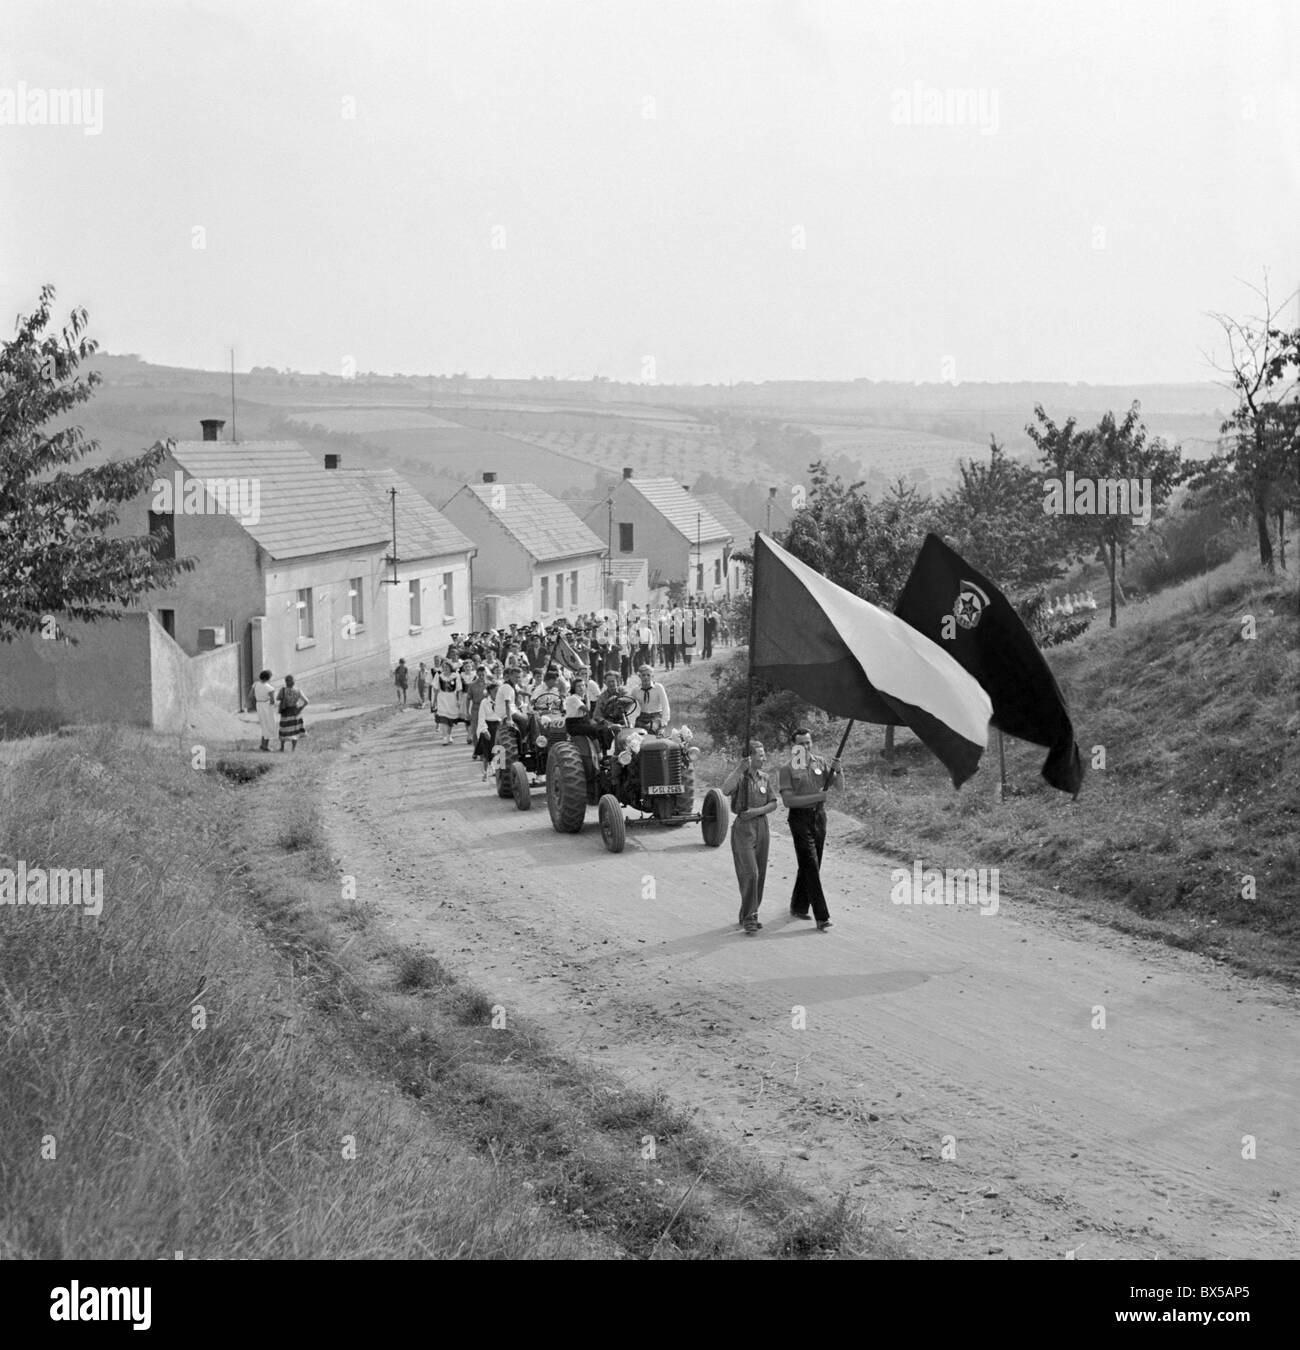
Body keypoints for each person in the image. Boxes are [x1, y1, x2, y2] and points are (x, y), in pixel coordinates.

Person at [779, 728, 842, 931]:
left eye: (808, 742)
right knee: (811, 865)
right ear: (794, 746)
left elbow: (839, 787)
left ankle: (798, 906)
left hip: (819, 817)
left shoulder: (821, 763)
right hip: (799, 818)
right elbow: (788, 801)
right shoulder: (788, 768)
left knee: (812, 864)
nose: (806, 747)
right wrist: (817, 797)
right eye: (801, 744)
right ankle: (822, 916)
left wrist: (839, 770)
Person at [721, 742, 779, 934]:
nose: (763, 758)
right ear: (750, 758)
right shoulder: (740, 777)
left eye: (763, 755)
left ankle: (749, 912)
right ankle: (750, 917)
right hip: (743, 828)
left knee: (760, 874)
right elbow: (725, 790)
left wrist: (756, 811)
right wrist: (739, 768)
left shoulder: (764, 778)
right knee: (750, 873)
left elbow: (773, 803)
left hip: (761, 826)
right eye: (760, 755)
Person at [630, 664, 670, 733]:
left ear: (652, 676)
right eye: (643, 675)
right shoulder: (636, 690)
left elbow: (665, 706)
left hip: (656, 717)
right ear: (639, 676)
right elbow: (628, 704)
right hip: (642, 717)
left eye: (648, 675)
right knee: (636, 734)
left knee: (650, 729)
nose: (646, 677)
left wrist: (664, 723)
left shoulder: (658, 687)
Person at [276, 675, 308, 751]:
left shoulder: (283, 690)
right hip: (295, 712)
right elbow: (306, 701)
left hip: (286, 712)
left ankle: (282, 747)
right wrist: (300, 709)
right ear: (294, 682)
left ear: (286, 681)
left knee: (284, 729)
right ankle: (293, 749)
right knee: (295, 731)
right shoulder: (298, 690)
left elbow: (278, 698)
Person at [432, 661, 461, 744]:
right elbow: (436, 689)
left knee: (450, 719)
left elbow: (458, 690)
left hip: (452, 698)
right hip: (442, 698)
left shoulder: (455, 676)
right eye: (444, 667)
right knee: (443, 718)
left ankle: (449, 735)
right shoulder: (439, 676)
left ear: (450, 668)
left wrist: (458, 700)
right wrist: (434, 701)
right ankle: (444, 737)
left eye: (447, 667)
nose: (445, 669)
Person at [249, 669, 277, 752]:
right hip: (267, 706)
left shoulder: (255, 684)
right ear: (268, 678)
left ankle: (262, 744)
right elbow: (272, 701)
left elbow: (250, 696)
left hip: (259, 705)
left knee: (264, 725)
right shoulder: (270, 688)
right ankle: (265, 746)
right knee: (269, 725)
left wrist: (256, 703)